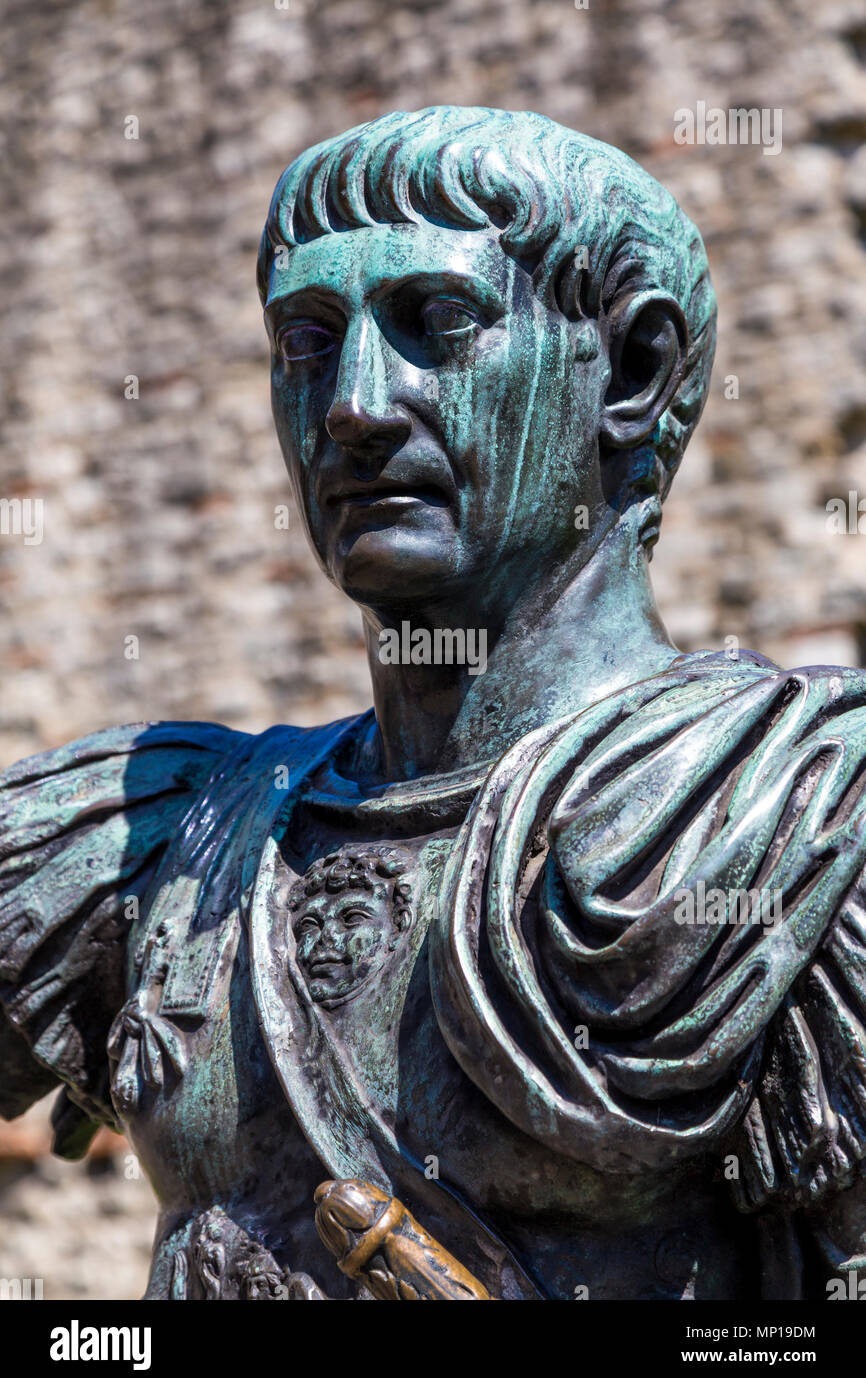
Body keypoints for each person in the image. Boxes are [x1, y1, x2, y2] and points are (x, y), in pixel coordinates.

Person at [2, 106, 865, 1299]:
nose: (351, 404)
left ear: (632, 372)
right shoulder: (154, 840)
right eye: (307, 340)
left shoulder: (790, 810)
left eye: (434, 323)